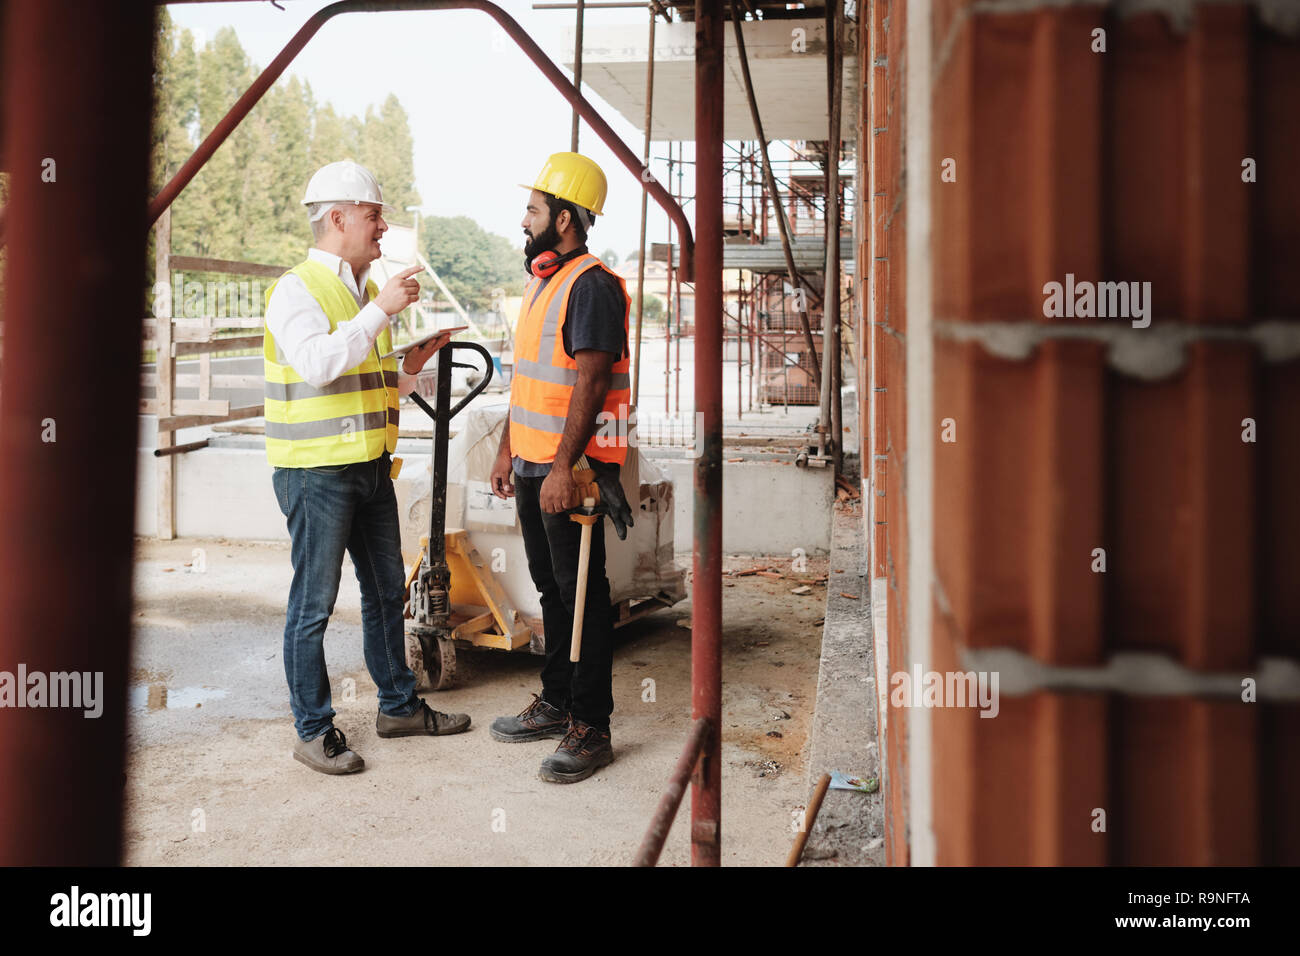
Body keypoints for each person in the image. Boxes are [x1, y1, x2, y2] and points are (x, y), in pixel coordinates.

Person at [265, 160, 471, 776]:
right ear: (337, 218)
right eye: (374, 214)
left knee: (387, 593)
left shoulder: (358, 296)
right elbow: (319, 365)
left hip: (369, 467)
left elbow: (367, 382)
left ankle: (399, 706)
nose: (382, 227)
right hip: (316, 475)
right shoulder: (296, 289)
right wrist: (381, 311)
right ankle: (313, 730)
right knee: (313, 605)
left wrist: (412, 367)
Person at [488, 152, 635, 784]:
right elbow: (531, 383)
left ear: (566, 219)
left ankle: (591, 726)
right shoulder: (544, 281)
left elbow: (591, 381)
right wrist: (506, 449)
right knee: (552, 588)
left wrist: (563, 467)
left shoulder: (592, 285)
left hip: (569, 470)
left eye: (534, 210)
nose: (524, 220)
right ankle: (556, 699)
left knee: (583, 597)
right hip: (532, 461)